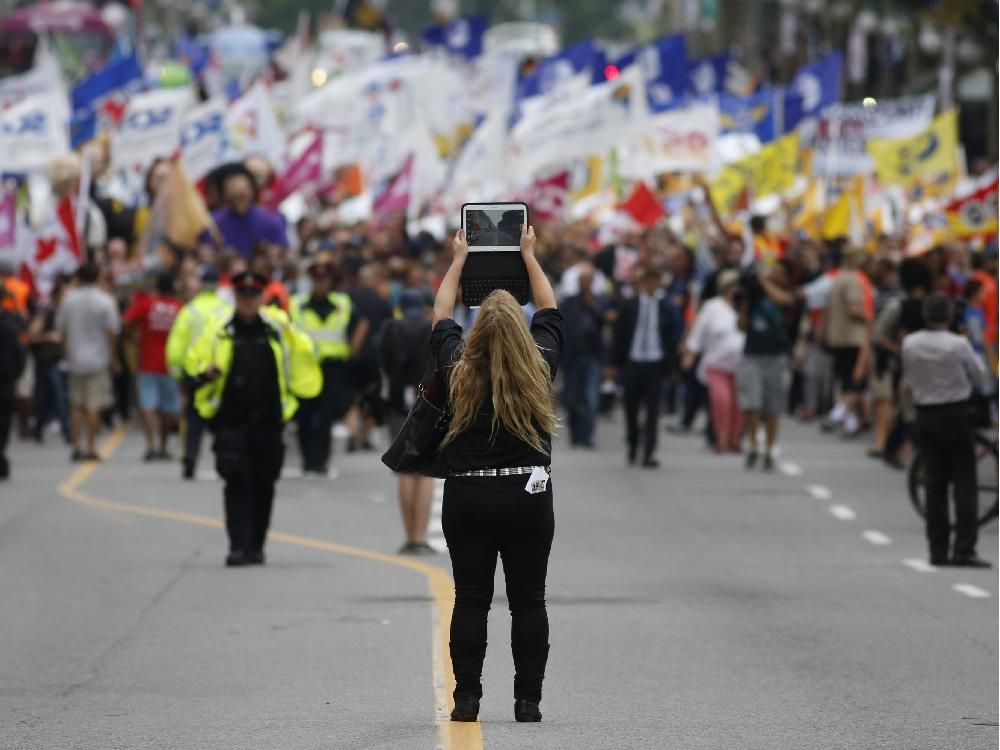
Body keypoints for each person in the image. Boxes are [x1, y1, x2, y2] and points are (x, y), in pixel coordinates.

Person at [430, 224, 563, 724]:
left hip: (469, 496)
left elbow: (441, 313)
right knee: (529, 599)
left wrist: (460, 260)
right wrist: (529, 255)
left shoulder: (459, 367)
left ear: (479, 331)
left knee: (471, 598)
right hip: (528, 492)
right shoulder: (540, 366)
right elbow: (549, 309)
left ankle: (467, 698)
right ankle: (528, 700)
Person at [188, 271, 321, 566]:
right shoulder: (219, 328)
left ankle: (256, 545)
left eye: (253, 296)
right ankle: (237, 545)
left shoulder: (277, 328)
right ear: (235, 297)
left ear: (261, 297)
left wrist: (300, 400)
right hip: (231, 422)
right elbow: (194, 360)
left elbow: (303, 353)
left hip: (269, 422)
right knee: (236, 483)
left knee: (264, 485)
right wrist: (204, 372)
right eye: (242, 296)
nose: (248, 302)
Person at [901, 294, 989, 568]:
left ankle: (937, 549)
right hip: (956, 413)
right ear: (950, 316)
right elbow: (979, 376)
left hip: (926, 414)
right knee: (964, 482)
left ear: (925, 315)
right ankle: (964, 548)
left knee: (934, 483)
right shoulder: (958, 344)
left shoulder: (910, 343)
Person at [289, 254, 367, 476]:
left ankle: (321, 460)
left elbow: (361, 323)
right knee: (304, 416)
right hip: (306, 368)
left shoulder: (341, 303)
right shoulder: (297, 304)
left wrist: (353, 350)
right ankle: (308, 460)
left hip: (332, 368)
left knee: (325, 416)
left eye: (324, 280)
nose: (320, 284)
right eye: (317, 280)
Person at [379, 291, 435, 554]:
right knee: (424, 469)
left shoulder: (391, 327)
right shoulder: (431, 326)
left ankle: (409, 535)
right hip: (428, 401)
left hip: (398, 402)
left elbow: (384, 364)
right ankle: (421, 537)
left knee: (403, 468)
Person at [165, 266, 233, 479]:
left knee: (194, 418)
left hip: (195, 371)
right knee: (222, 419)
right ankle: (226, 458)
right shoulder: (226, 309)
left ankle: (190, 457)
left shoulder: (190, 310)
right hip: (221, 371)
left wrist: (177, 372)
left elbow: (176, 343)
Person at [611, 265, 677, 468]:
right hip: (633, 361)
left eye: (654, 282)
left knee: (652, 410)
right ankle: (632, 443)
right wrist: (613, 363)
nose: (650, 286)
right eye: (647, 281)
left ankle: (649, 452)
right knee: (631, 408)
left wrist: (673, 367)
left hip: (655, 363)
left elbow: (671, 338)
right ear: (641, 283)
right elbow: (619, 335)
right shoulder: (630, 304)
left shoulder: (665, 307)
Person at [56, 263, 121, 462]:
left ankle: (76, 445)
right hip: (98, 358)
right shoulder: (105, 301)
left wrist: (65, 354)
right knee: (94, 404)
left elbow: (62, 330)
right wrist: (113, 357)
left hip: (75, 358)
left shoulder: (69, 300)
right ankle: (91, 446)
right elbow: (112, 331)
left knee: (76, 404)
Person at [736, 260, 796, 471]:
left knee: (773, 406)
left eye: (779, 273)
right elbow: (741, 325)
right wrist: (744, 302)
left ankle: (770, 449)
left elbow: (780, 299)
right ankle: (753, 445)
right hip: (752, 353)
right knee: (752, 404)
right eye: (773, 272)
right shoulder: (754, 295)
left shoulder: (790, 293)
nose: (774, 276)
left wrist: (761, 279)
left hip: (776, 356)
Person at [683, 269, 745, 453]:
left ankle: (736, 439)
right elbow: (698, 332)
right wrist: (690, 353)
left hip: (741, 365)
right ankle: (721, 438)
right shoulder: (713, 307)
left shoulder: (745, 307)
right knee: (722, 400)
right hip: (717, 363)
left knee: (739, 404)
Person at [124, 273, 183, 461]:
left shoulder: (147, 304)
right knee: (167, 407)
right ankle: (164, 447)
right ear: (173, 289)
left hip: (147, 362)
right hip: (171, 364)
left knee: (147, 405)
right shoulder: (178, 308)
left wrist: (133, 339)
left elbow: (125, 321)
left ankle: (151, 445)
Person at [822, 247, 874, 438]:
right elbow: (854, 308)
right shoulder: (853, 280)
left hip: (837, 337)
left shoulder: (837, 279)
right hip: (853, 337)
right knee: (856, 380)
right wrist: (869, 317)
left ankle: (851, 423)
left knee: (846, 380)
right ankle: (838, 413)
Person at [559, 261, 609, 448]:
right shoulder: (568, 302)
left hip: (592, 357)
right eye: (583, 280)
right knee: (572, 398)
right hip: (573, 357)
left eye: (589, 280)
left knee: (590, 398)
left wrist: (594, 307)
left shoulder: (600, 302)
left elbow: (604, 324)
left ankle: (587, 435)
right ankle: (575, 433)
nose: (585, 284)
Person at [209, 166, 288, 259]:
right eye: (234, 197)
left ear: (252, 190)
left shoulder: (272, 220)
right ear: (224, 194)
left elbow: (285, 254)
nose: (239, 202)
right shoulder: (214, 224)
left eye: (242, 196)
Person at [0, 285, 27, 479]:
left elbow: (20, 352)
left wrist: (15, 374)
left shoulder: (11, 321)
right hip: (7, 379)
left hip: (5, 380)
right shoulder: (11, 321)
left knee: (3, 422)